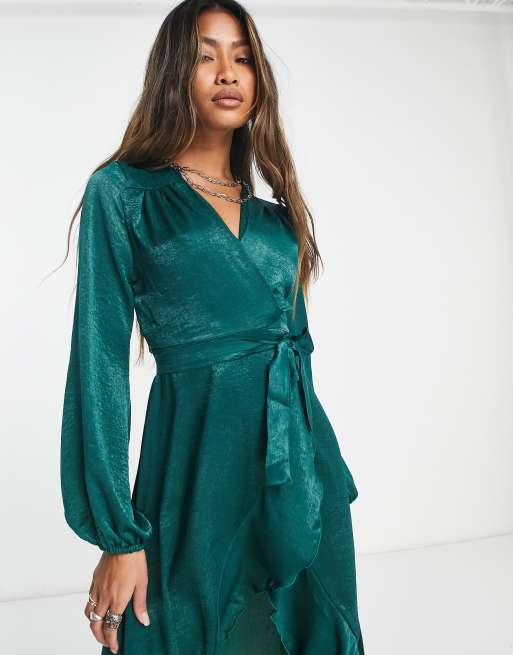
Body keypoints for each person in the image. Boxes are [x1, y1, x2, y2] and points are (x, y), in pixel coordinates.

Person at [59, 1, 365, 653]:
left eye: (243, 57)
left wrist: (322, 483)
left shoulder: (278, 222)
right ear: (174, 71)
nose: (228, 72)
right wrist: (118, 536)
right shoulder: (124, 193)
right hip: (192, 476)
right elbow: (98, 366)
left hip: (297, 484)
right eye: (205, 55)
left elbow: (299, 369)